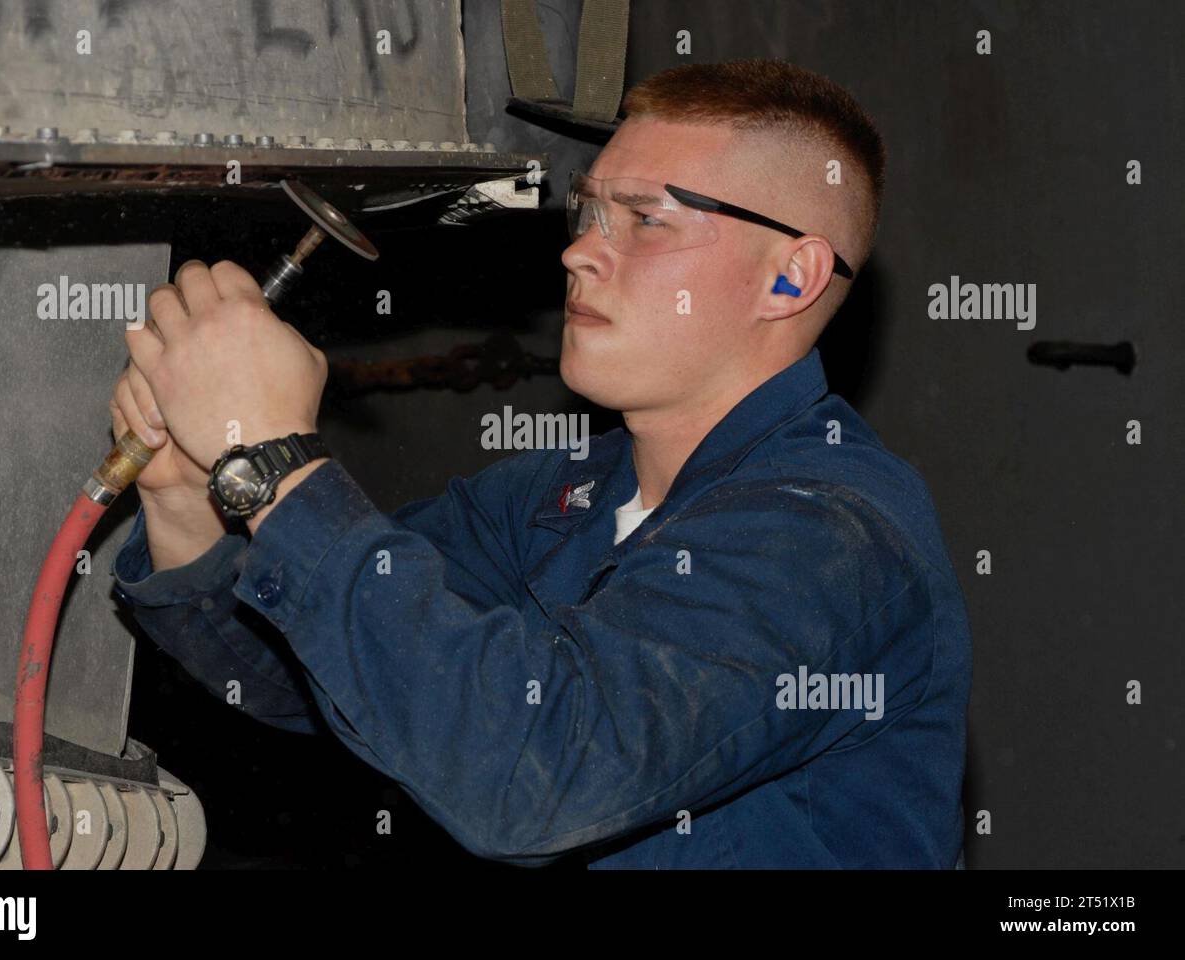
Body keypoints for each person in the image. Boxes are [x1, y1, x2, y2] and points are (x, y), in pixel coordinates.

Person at [110, 58, 972, 869]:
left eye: (645, 219)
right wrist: (189, 497)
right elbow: (330, 673)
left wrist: (273, 461)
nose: (580, 250)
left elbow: (536, 780)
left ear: (790, 278)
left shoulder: (828, 536)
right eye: (588, 210)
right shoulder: (560, 496)